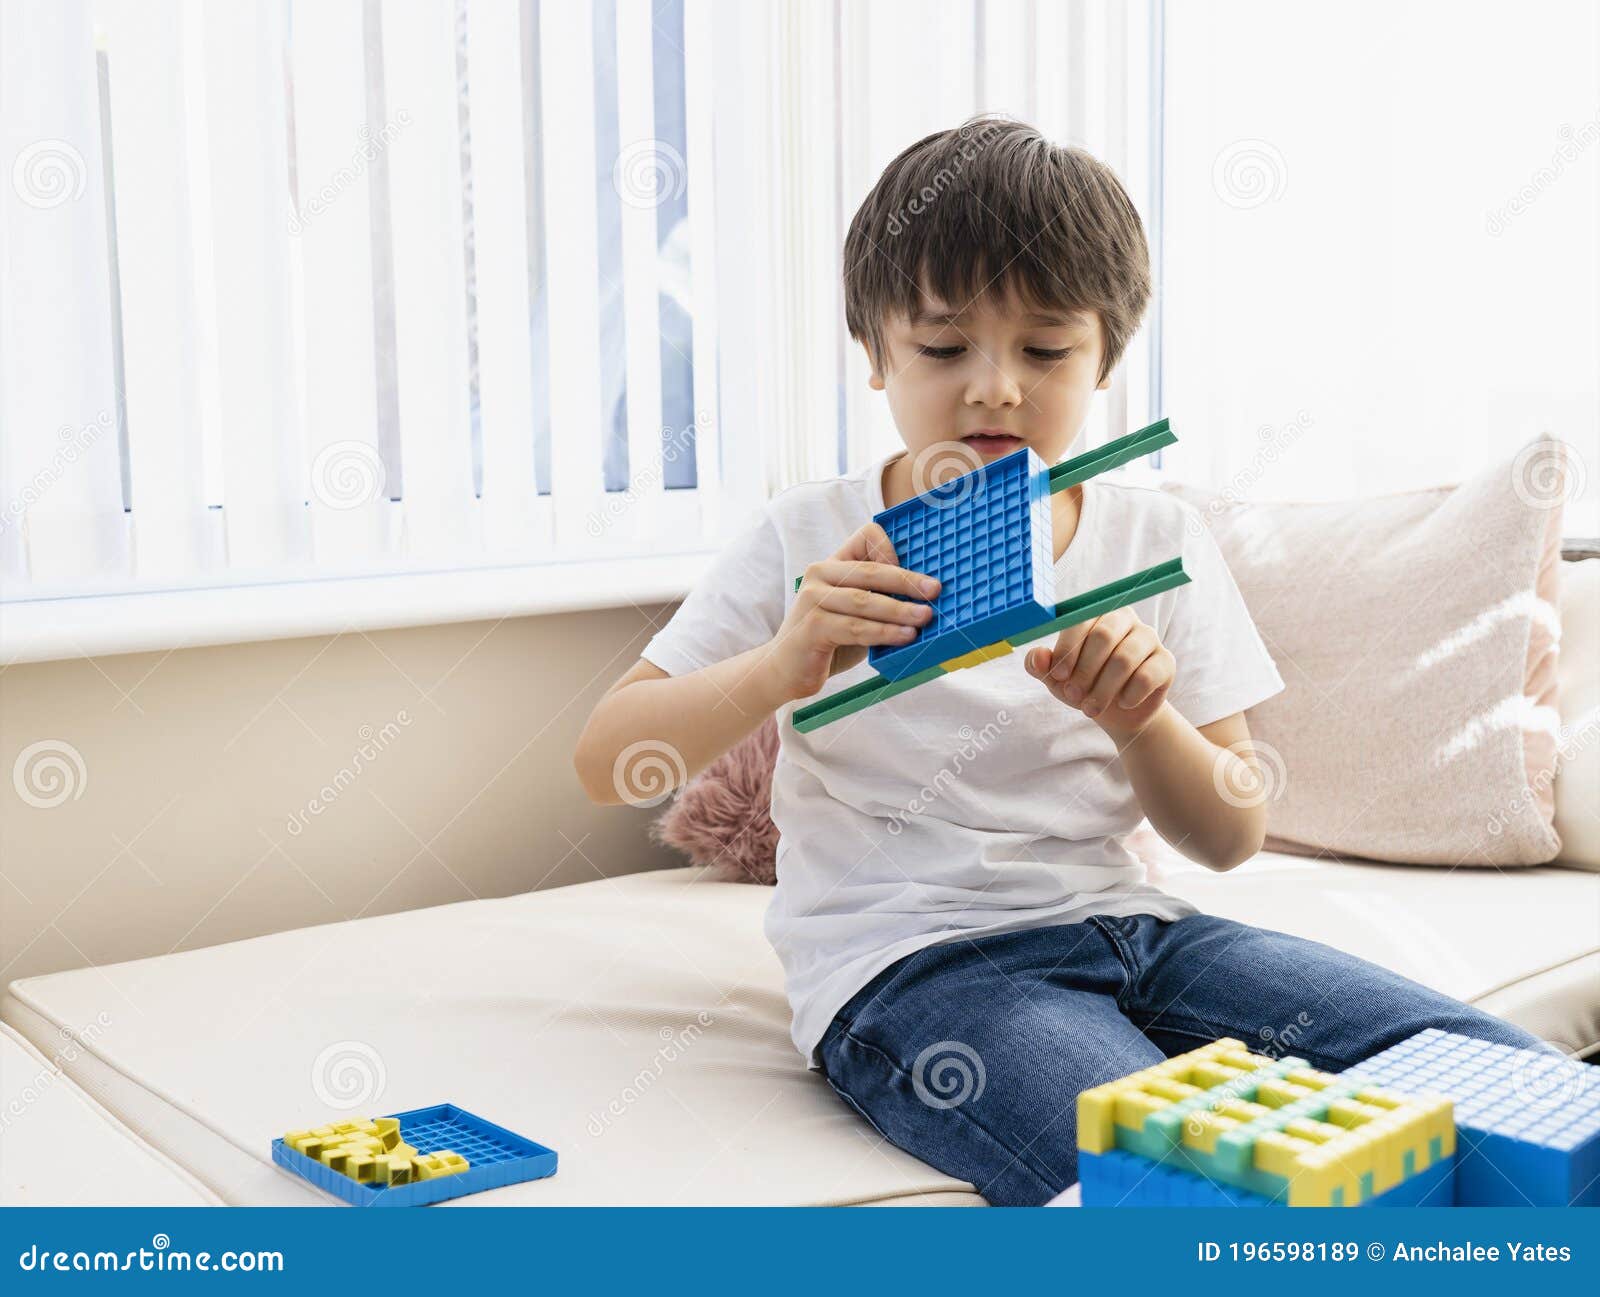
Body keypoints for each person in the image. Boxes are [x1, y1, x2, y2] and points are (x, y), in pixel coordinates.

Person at [572, 115, 1544, 1206]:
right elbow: (610, 761)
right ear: (874, 350)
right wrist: (782, 669)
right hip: (911, 972)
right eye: (943, 348)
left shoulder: (1154, 542)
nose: (994, 388)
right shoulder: (808, 536)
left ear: (1104, 359)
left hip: (1142, 933)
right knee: (1183, 1179)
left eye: (1044, 350)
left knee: (1507, 1084)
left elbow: (1230, 832)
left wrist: (1144, 722)